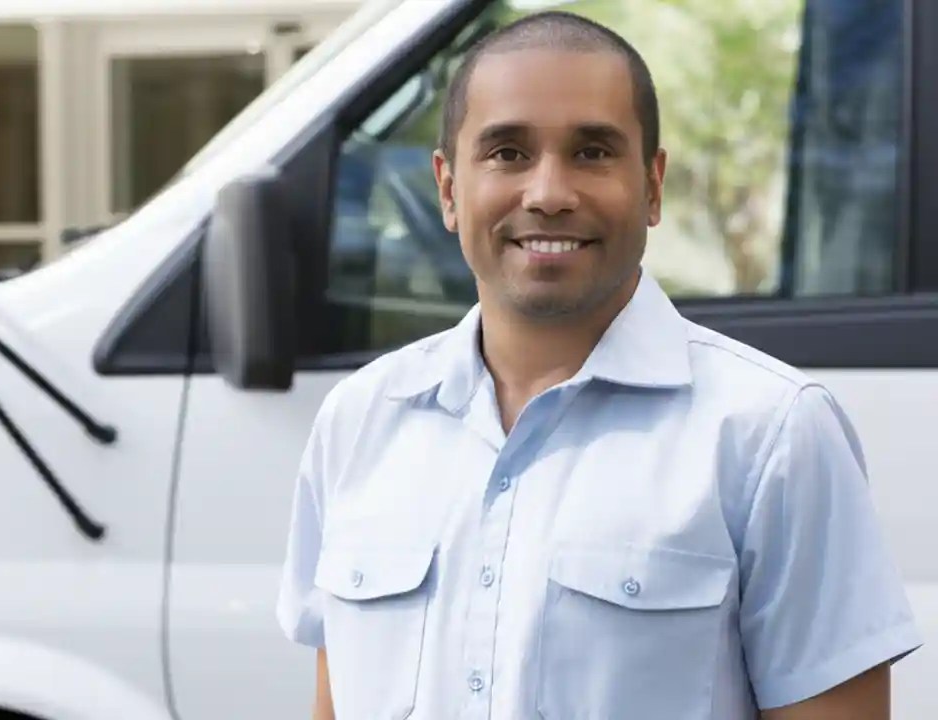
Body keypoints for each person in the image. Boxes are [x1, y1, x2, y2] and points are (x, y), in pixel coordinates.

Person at [276, 10, 922, 720]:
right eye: (507, 153)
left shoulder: (770, 435)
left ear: (652, 185)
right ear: (448, 188)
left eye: (591, 152)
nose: (549, 193)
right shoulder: (361, 421)